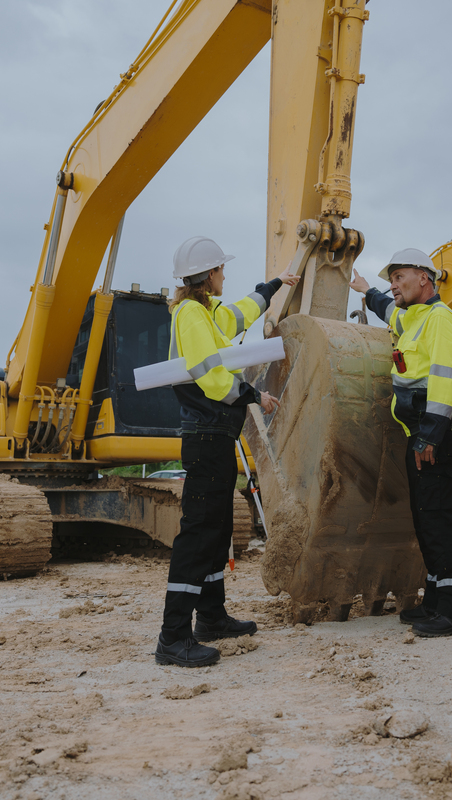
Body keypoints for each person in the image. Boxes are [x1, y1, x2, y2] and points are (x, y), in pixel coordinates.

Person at [156, 235, 300, 667]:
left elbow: (243, 312)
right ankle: (173, 636)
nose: (225, 276)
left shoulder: (209, 312)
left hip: (217, 435)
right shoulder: (190, 316)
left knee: (218, 530)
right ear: (207, 277)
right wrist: (254, 395)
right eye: (221, 270)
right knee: (198, 535)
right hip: (205, 434)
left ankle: (211, 617)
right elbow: (211, 376)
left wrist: (276, 283)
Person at [349, 248, 452, 637]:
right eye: (391, 279)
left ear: (424, 278)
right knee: (426, 522)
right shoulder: (411, 318)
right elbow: (391, 309)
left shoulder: (441, 319)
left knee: (439, 522)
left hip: (436, 435)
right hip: (419, 436)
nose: (394, 285)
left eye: (399, 276)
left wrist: (429, 437)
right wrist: (367, 291)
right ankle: (436, 600)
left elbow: (445, 379)